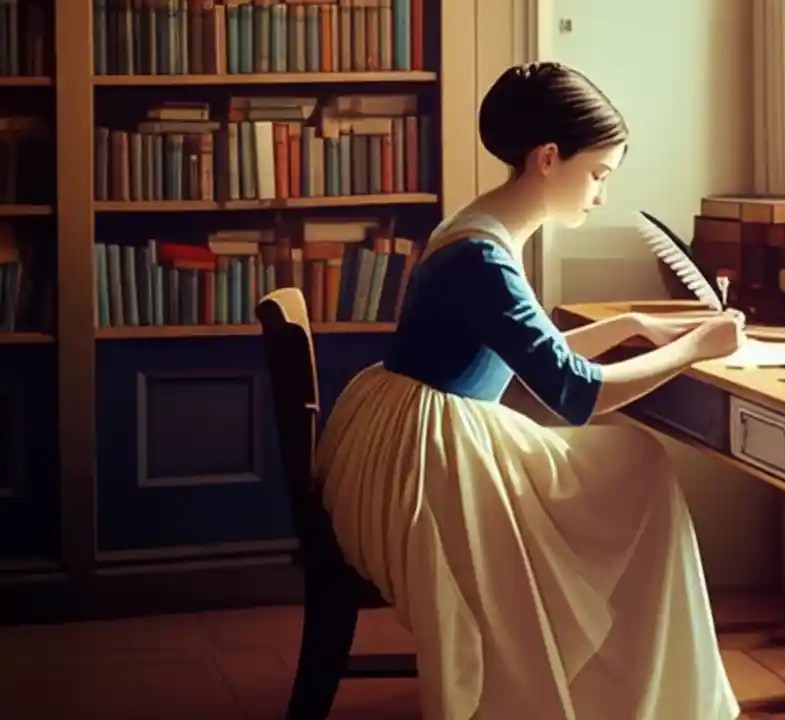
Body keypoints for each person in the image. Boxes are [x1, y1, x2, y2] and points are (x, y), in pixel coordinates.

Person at [313, 61, 744, 720]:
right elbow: (575, 394)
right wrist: (696, 347)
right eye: (598, 175)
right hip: (426, 459)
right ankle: (638, 690)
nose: (600, 195)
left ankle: (625, 682)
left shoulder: (476, 228)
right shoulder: (483, 258)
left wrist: (631, 326)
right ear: (549, 157)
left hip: (410, 427)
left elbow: (520, 361)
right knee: (640, 464)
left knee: (626, 464)